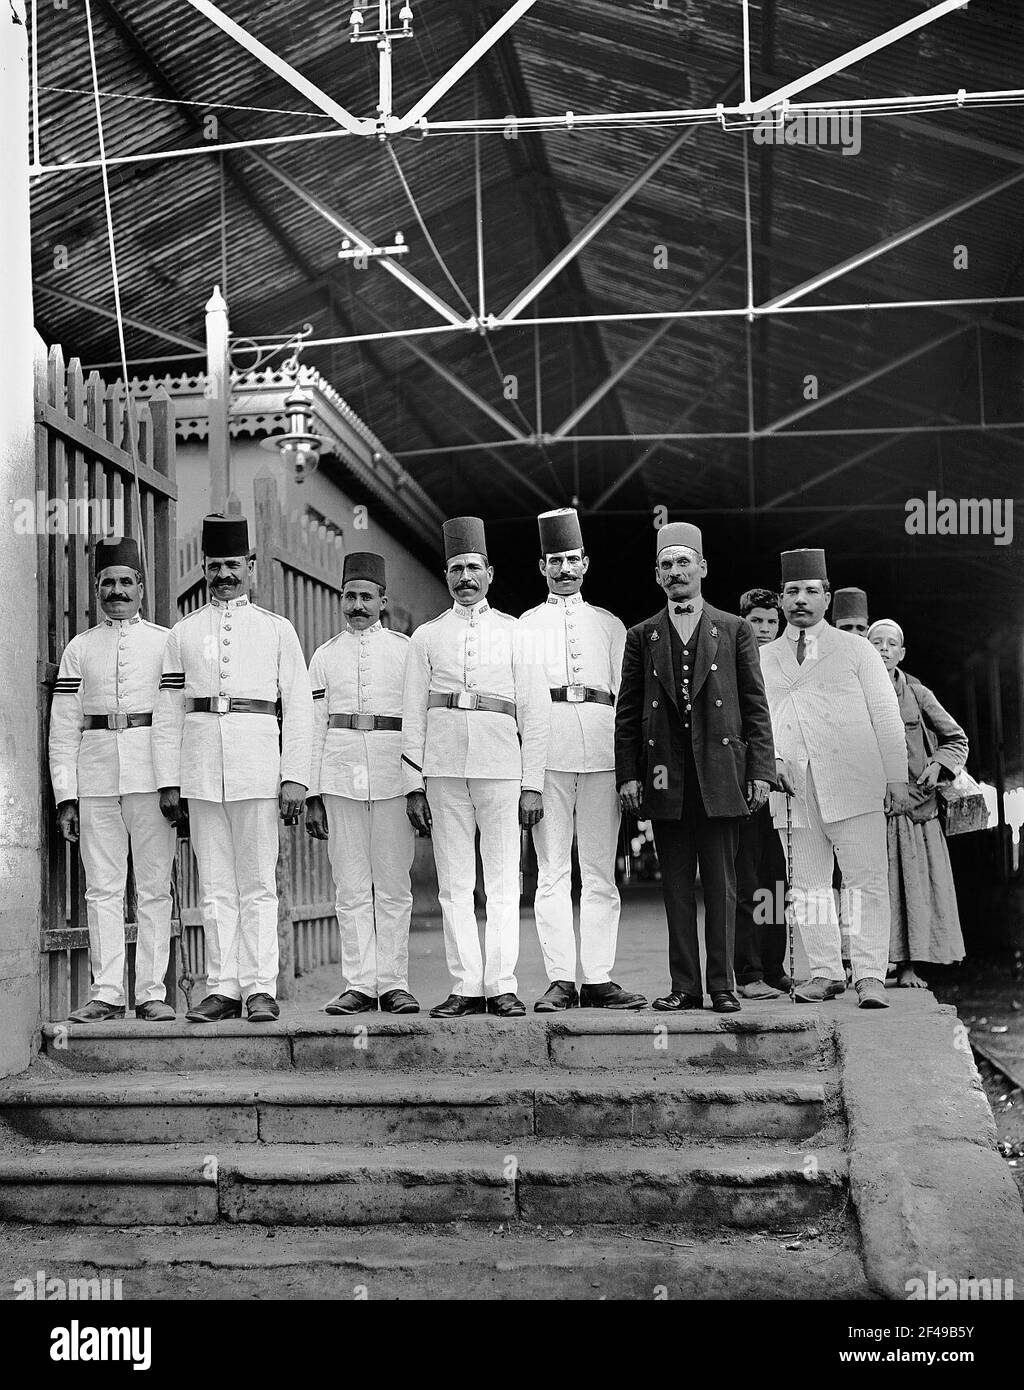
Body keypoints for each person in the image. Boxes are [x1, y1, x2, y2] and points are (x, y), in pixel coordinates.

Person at [152, 513, 313, 1023]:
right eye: (215, 565)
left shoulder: (277, 630)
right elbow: (167, 710)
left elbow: (302, 707)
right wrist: (169, 779)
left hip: (258, 769)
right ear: (203, 567)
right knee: (216, 885)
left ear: (251, 567)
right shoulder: (182, 633)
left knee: (258, 883)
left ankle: (260, 987)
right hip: (201, 771)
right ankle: (223, 986)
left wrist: (295, 777)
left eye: (233, 565)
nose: (224, 574)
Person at [615, 523, 776, 1013]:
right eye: (666, 565)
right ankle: (685, 985)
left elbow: (755, 704)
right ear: (657, 575)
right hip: (666, 778)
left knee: (724, 886)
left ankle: (722, 984)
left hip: (721, 775)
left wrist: (760, 772)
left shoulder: (734, 629)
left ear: (702, 568)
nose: (675, 572)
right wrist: (628, 774)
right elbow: (627, 710)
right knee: (677, 887)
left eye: (684, 563)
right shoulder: (642, 636)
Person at [402, 516, 550, 1018]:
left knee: (505, 880)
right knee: (455, 883)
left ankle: (502, 984)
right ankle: (466, 985)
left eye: (473, 568)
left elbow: (535, 711)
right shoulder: (425, 636)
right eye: (456, 569)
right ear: (447, 576)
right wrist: (413, 784)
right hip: (443, 770)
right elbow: (412, 712)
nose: (465, 578)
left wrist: (533, 784)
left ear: (490, 573)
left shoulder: (515, 632)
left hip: (501, 767)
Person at [759, 549, 911, 1009]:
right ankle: (825, 972)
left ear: (826, 596)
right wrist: (772, 763)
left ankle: (869, 974)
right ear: (782, 600)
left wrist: (895, 778)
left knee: (865, 882)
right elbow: (757, 718)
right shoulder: (763, 656)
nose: (800, 600)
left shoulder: (857, 649)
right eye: (792, 592)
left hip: (855, 781)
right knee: (807, 885)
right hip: (793, 788)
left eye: (810, 591)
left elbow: (885, 716)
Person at [519, 508, 645, 1012]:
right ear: (542, 567)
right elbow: (522, 701)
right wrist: (526, 772)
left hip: (601, 750)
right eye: (555, 561)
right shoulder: (526, 624)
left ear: (586, 563)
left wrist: (628, 767)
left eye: (572, 559)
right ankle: (559, 980)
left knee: (598, 871)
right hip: (547, 753)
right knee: (551, 872)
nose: (564, 569)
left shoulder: (609, 624)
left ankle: (597, 977)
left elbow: (629, 702)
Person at [48, 536, 178, 1023]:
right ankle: (105, 993)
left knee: (153, 888)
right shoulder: (80, 648)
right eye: (109, 583)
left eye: (126, 582)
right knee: (101, 888)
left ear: (141, 589)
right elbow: (64, 727)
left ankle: (150, 993)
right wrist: (66, 795)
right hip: (96, 777)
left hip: (150, 777)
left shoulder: (166, 642)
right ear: (97, 589)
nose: (117, 591)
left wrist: (173, 783)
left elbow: (175, 718)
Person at [305, 552, 419, 1016]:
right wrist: (312, 794)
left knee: (393, 886)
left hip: (393, 775)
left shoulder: (406, 651)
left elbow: (416, 721)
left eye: (365, 597)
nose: (356, 605)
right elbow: (312, 724)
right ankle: (359, 984)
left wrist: (415, 784)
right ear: (340, 599)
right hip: (339, 775)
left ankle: (393, 983)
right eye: (349, 596)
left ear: (382, 601)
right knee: (350, 886)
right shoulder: (324, 655)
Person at [867, 619, 968, 988]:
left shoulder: (917, 692)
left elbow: (957, 739)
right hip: (871, 811)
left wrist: (938, 763)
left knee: (913, 890)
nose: (882, 649)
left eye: (891, 643)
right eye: (875, 642)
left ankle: (910, 966)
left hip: (915, 813)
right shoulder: (854, 691)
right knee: (871, 890)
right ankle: (868, 967)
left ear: (901, 653)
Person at [733, 588, 790, 998]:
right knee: (747, 881)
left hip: (784, 791)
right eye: (757, 621)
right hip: (746, 785)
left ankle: (774, 966)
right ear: (744, 623)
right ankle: (748, 972)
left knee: (777, 883)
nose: (766, 629)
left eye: (772, 621)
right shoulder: (734, 664)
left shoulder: (788, 666)